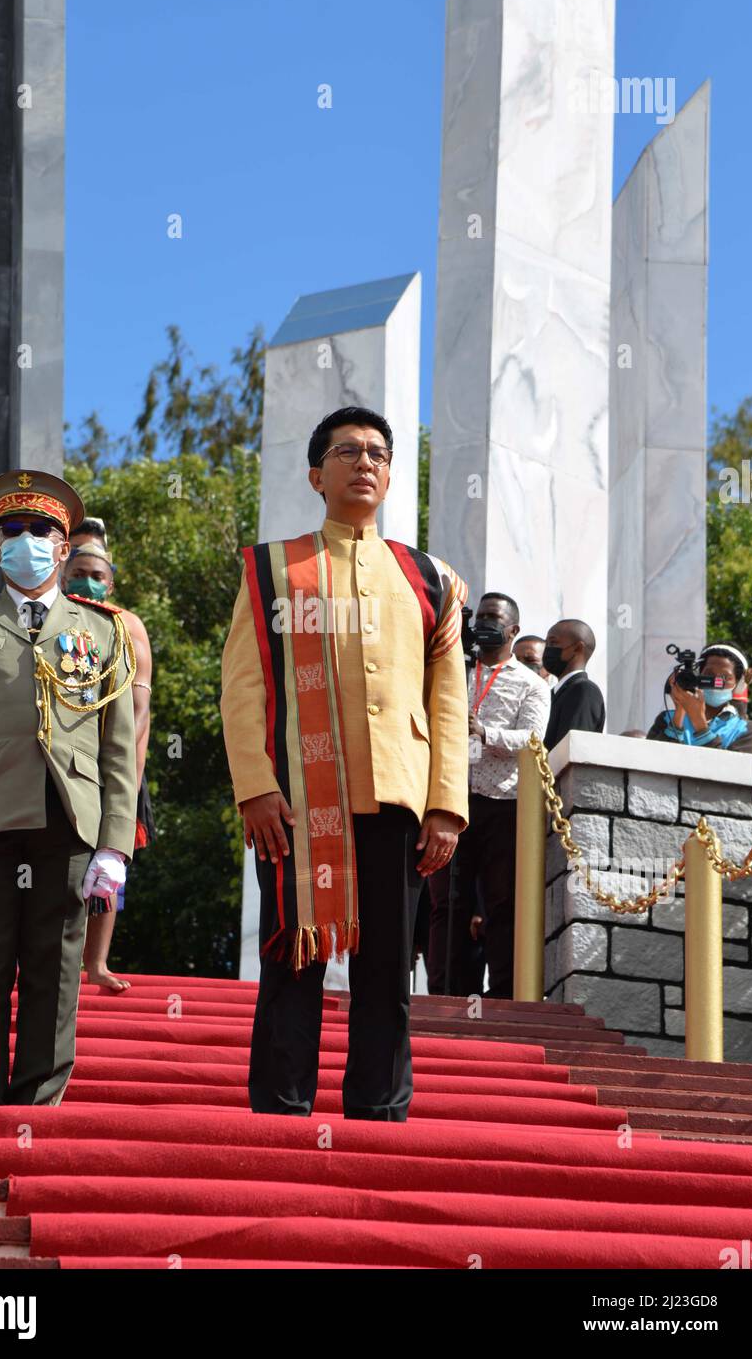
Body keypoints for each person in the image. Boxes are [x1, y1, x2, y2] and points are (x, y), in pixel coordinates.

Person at [221, 405, 470, 1121]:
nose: (364, 462)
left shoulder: (429, 578)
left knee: (389, 970)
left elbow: (447, 700)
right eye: (347, 452)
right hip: (296, 800)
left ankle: (379, 1113)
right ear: (315, 474)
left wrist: (446, 806)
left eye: (377, 454)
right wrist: (255, 788)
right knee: (292, 959)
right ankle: (280, 1107)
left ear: (389, 476)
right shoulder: (272, 569)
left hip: (399, 799)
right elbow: (240, 687)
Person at [0, 470, 138, 1106]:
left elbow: (119, 748)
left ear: (64, 546)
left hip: (67, 818)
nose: (26, 540)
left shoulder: (104, 630)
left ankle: (37, 1111)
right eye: (11, 531)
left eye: (42, 530)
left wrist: (115, 845)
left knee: (56, 968)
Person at [429, 593, 551, 999]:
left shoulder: (532, 684)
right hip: (451, 799)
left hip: (503, 805)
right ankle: (446, 991)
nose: (484, 623)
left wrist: (485, 733)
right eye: (480, 616)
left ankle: (502, 996)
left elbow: (533, 739)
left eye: (494, 618)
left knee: (502, 904)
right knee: (448, 903)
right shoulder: (454, 670)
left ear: (513, 630)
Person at [63, 527, 154, 992]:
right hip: (58, 765)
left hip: (113, 768)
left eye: (96, 575)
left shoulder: (127, 624)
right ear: (64, 574)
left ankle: (96, 964)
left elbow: (139, 713)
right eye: (78, 573)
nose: (87, 582)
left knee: (106, 869)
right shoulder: (48, 620)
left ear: (110, 582)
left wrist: (126, 779)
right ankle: (54, 960)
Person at [648, 644, 752, 754]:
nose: (715, 682)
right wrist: (678, 718)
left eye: (725, 677)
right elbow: (652, 759)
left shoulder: (747, 730)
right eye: (709, 674)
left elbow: (727, 769)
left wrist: (699, 723)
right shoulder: (666, 719)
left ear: (738, 685)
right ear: (698, 675)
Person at [542, 618, 606, 752]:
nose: (547, 650)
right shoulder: (553, 693)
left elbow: (571, 751)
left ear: (577, 648)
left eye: (553, 643)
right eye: (546, 644)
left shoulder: (584, 690)